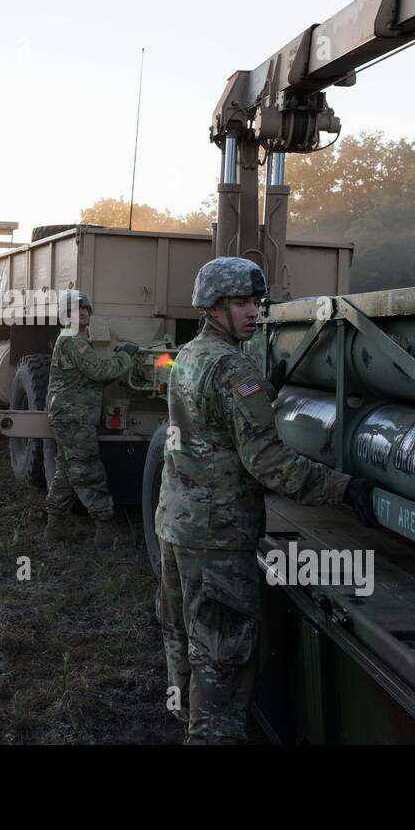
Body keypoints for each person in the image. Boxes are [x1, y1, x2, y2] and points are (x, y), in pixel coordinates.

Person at [156, 257, 377, 743]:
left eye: (256, 303)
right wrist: (342, 488)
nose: (253, 313)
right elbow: (268, 464)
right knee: (223, 661)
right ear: (213, 307)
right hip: (219, 539)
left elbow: (207, 424)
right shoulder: (235, 369)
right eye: (241, 304)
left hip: (177, 527)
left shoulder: (189, 355)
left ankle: (189, 724)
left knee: (185, 641)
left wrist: (262, 390)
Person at [44, 289, 140, 549]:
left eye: (85, 308)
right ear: (66, 315)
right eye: (76, 309)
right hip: (73, 419)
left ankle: (54, 528)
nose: (83, 312)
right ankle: (105, 530)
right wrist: (126, 356)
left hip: (69, 417)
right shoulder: (73, 340)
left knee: (67, 470)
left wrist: (119, 362)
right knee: (88, 470)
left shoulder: (73, 339)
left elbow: (95, 376)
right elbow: (98, 371)